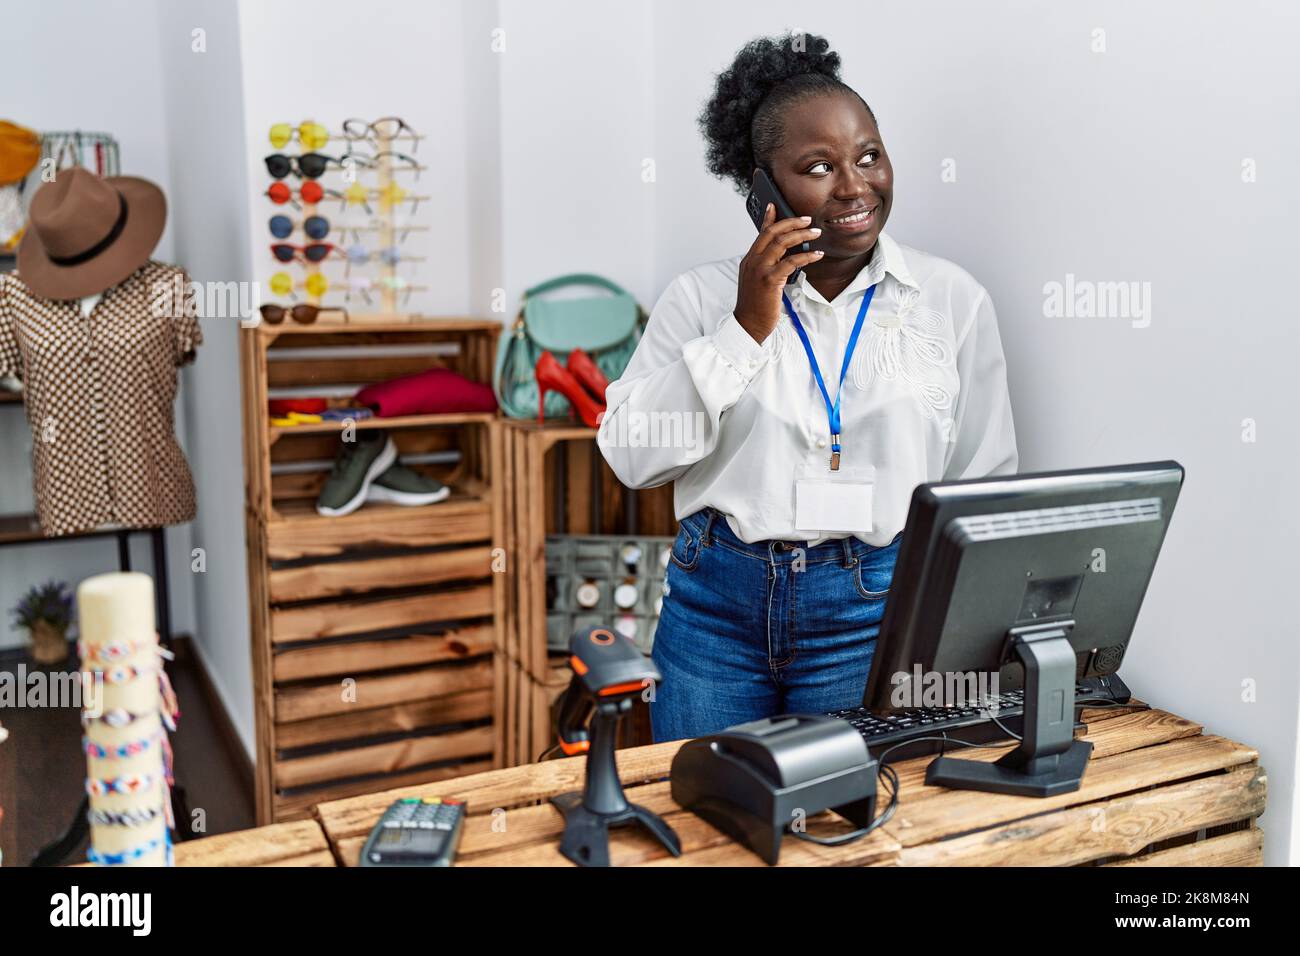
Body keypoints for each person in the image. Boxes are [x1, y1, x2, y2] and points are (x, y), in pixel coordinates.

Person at [596, 32, 1018, 742]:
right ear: (762, 188)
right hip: (713, 611)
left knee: (842, 828)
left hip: (870, 609)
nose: (854, 187)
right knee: (706, 822)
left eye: (869, 155)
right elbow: (633, 455)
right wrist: (745, 327)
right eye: (818, 167)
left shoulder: (953, 301)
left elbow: (982, 485)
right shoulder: (699, 298)